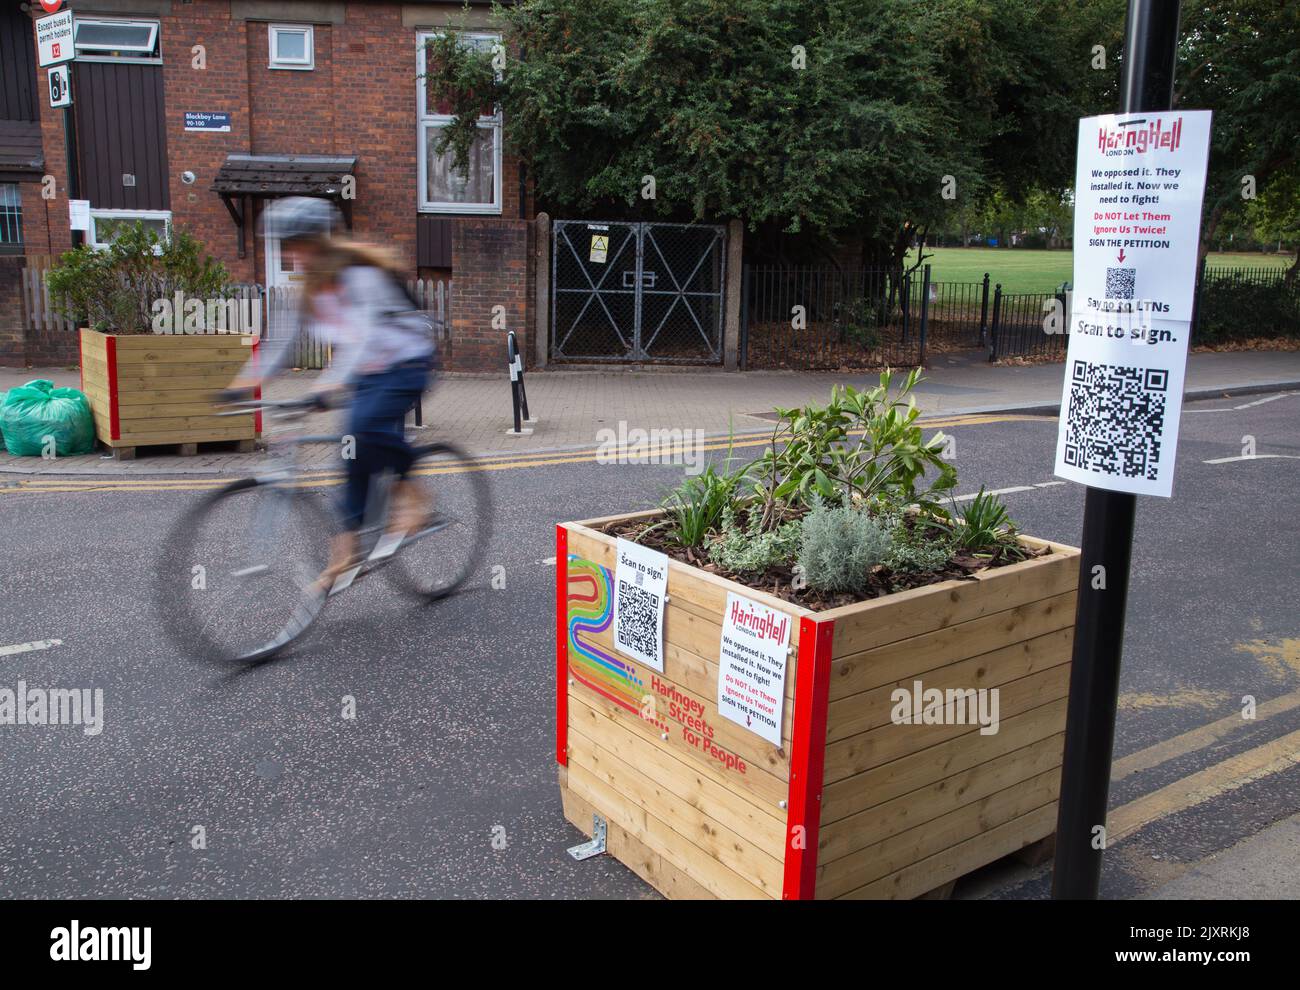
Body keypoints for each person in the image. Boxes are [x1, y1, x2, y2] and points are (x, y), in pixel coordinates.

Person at [228, 196, 437, 591]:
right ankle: (346, 551)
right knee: (351, 449)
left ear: (320, 242)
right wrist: (242, 383)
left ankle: (412, 493)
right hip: (367, 373)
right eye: (286, 246)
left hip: (407, 363)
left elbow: (361, 336)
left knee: (361, 429)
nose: (292, 253)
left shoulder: (360, 275)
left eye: (298, 243)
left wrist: (328, 383)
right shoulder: (307, 291)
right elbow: (281, 343)